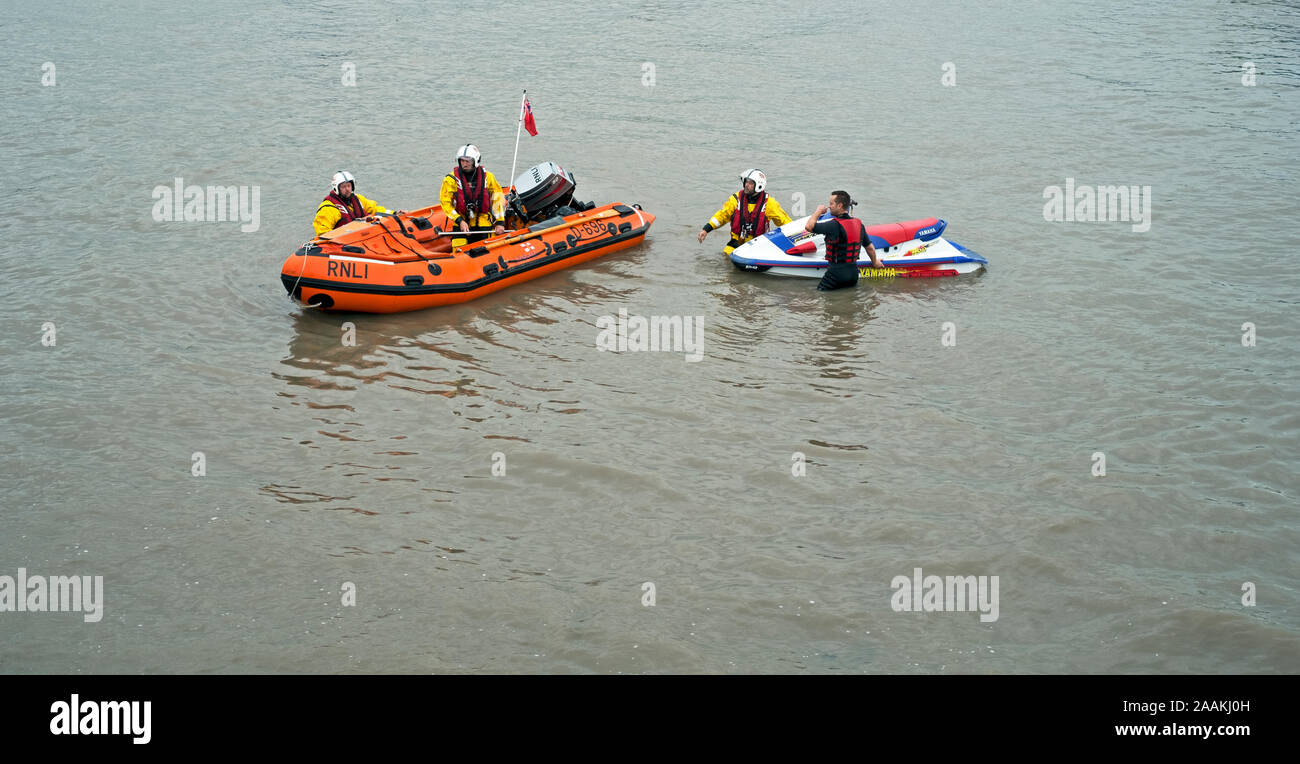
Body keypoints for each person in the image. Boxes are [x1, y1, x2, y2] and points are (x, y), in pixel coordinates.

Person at [698, 169, 792, 255]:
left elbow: (785, 222)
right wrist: (706, 229)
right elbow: (722, 216)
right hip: (736, 243)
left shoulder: (770, 204)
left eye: (750, 183)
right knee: (726, 259)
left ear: (759, 185)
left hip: (760, 245)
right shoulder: (735, 199)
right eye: (746, 181)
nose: (746, 185)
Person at [804, 190, 883, 291]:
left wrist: (818, 211)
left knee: (821, 298)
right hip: (853, 275)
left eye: (831, 203)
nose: (829, 207)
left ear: (840, 205)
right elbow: (870, 248)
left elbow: (809, 226)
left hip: (835, 275)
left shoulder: (833, 225)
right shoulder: (859, 225)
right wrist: (875, 262)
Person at [440, 144, 506, 248]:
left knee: (488, 248)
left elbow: (497, 199)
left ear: (475, 161)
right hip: (462, 218)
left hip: (483, 218)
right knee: (458, 248)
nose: (464, 164)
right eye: (462, 161)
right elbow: (445, 203)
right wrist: (459, 220)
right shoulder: (450, 180)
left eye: (468, 161)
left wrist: (500, 222)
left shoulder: (488, 177)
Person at [312, 171, 398, 235]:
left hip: (361, 237)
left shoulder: (358, 199)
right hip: (344, 243)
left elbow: (375, 209)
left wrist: (394, 213)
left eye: (349, 186)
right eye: (343, 187)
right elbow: (323, 232)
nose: (347, 189)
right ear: (336, 188)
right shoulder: (329, 208)